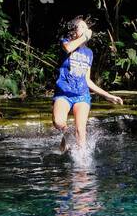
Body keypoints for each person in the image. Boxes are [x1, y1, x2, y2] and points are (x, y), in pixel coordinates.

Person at [51, 16, 123, 151]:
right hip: (63, 94)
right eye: (82, 27)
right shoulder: (65, 42)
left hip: (82, 95)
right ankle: (67, 136)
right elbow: (68, 48)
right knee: (58, 122)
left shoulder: (88, 53)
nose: (86, 30)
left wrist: (108, 95)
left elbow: (87, 80)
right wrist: (84, 37)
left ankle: (82, 163)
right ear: (73, 31)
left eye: (87, 27)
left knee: (80, 131)